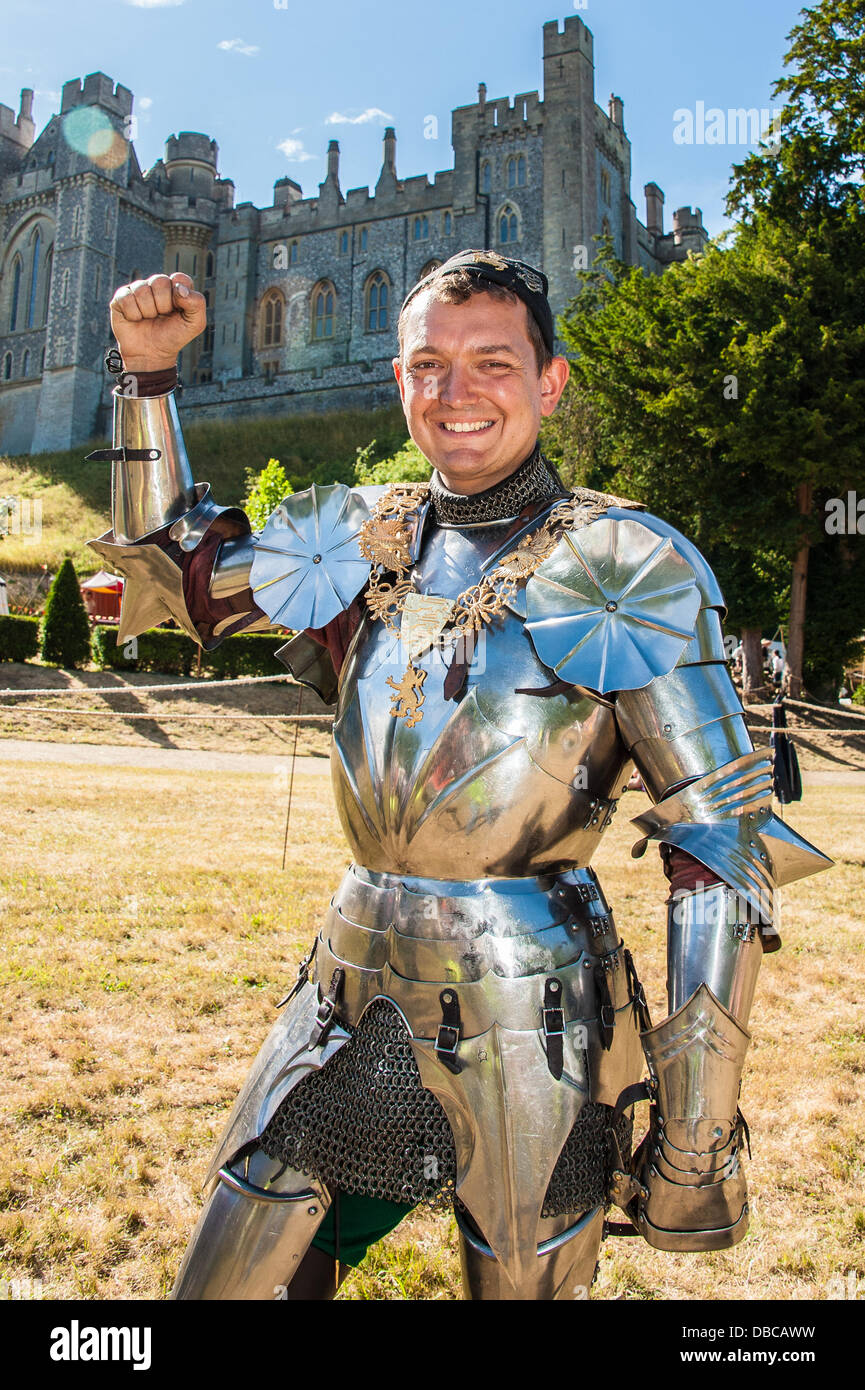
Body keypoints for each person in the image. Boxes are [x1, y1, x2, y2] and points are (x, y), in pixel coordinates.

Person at [90, 252, 831, 1301]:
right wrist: (148, 374)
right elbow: (176, 575)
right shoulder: (359, 540)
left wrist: (693, 1144)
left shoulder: (627, 564)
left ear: (549, 383)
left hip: (538, 1014)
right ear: (398, 381)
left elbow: (717, 846)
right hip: (348, 985)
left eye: (491, 362)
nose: (455, 391)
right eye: (428, 365)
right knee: (221, 1288)